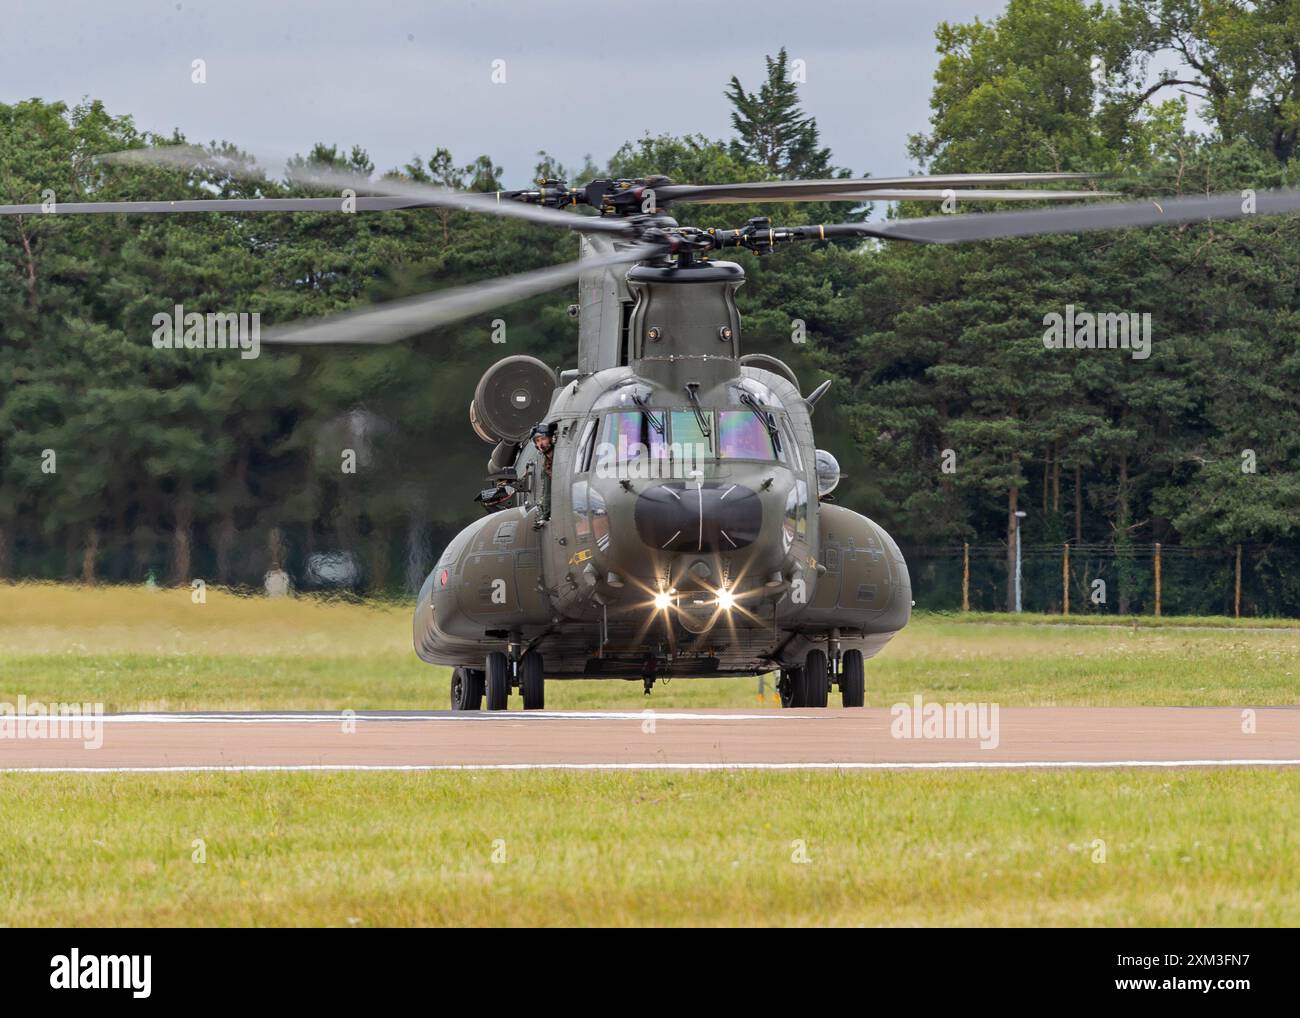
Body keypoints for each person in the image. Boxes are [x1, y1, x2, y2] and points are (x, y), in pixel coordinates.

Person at [530, 422, 556, 527]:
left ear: (551, 438)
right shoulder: (546, 464)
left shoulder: (559, 456)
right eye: (537, 441)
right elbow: (547, 493)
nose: (541, 444)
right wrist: (544, 516)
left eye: (543, 439)